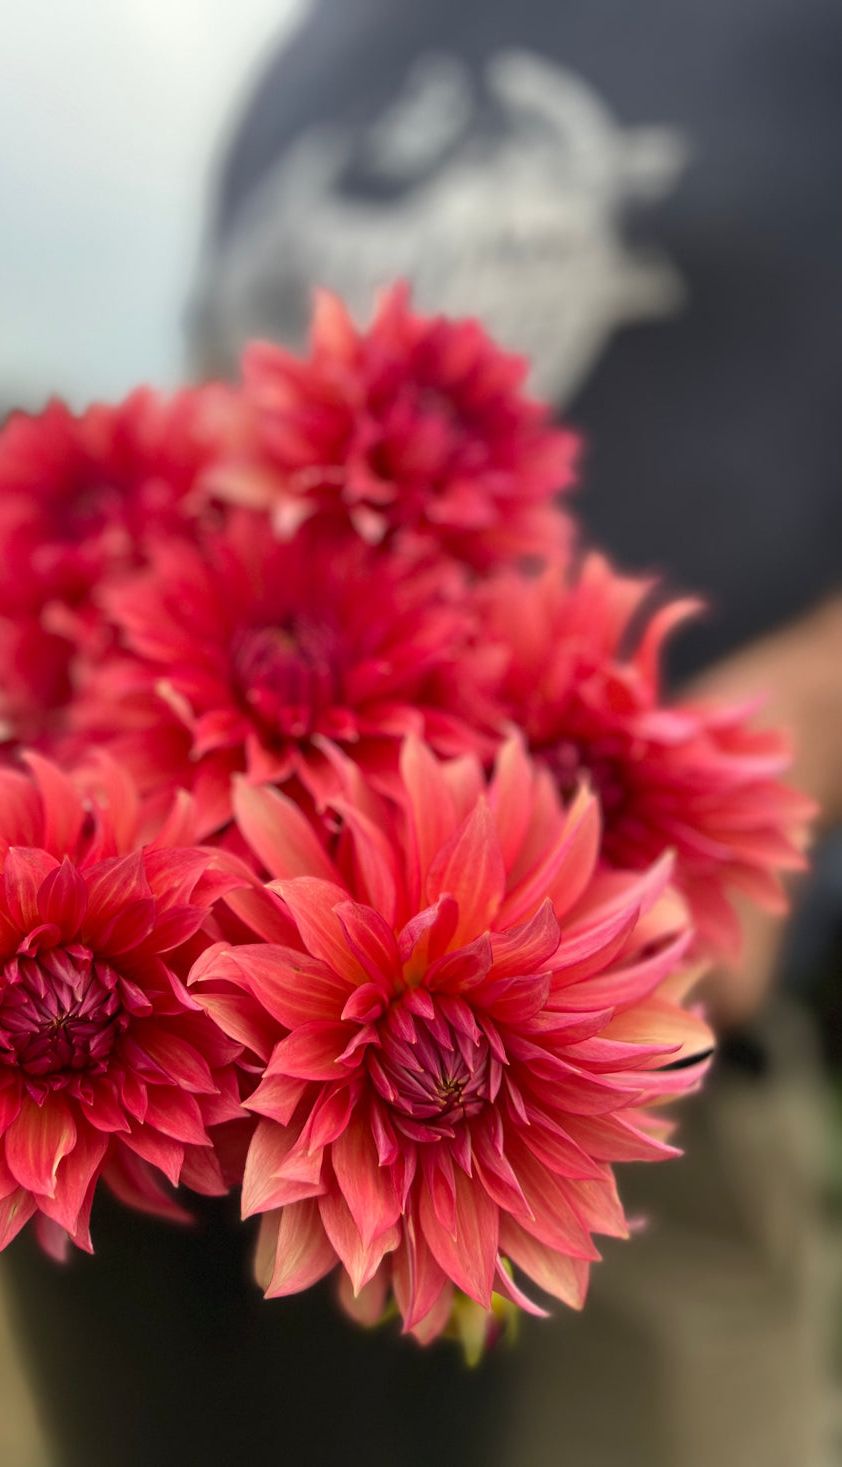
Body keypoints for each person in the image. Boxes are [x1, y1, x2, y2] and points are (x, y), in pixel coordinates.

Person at [190, 2, 842, 1462]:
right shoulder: (306, 63)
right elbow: (211, 455)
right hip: (205, 1112)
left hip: (635, 1085)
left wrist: (791, 724)